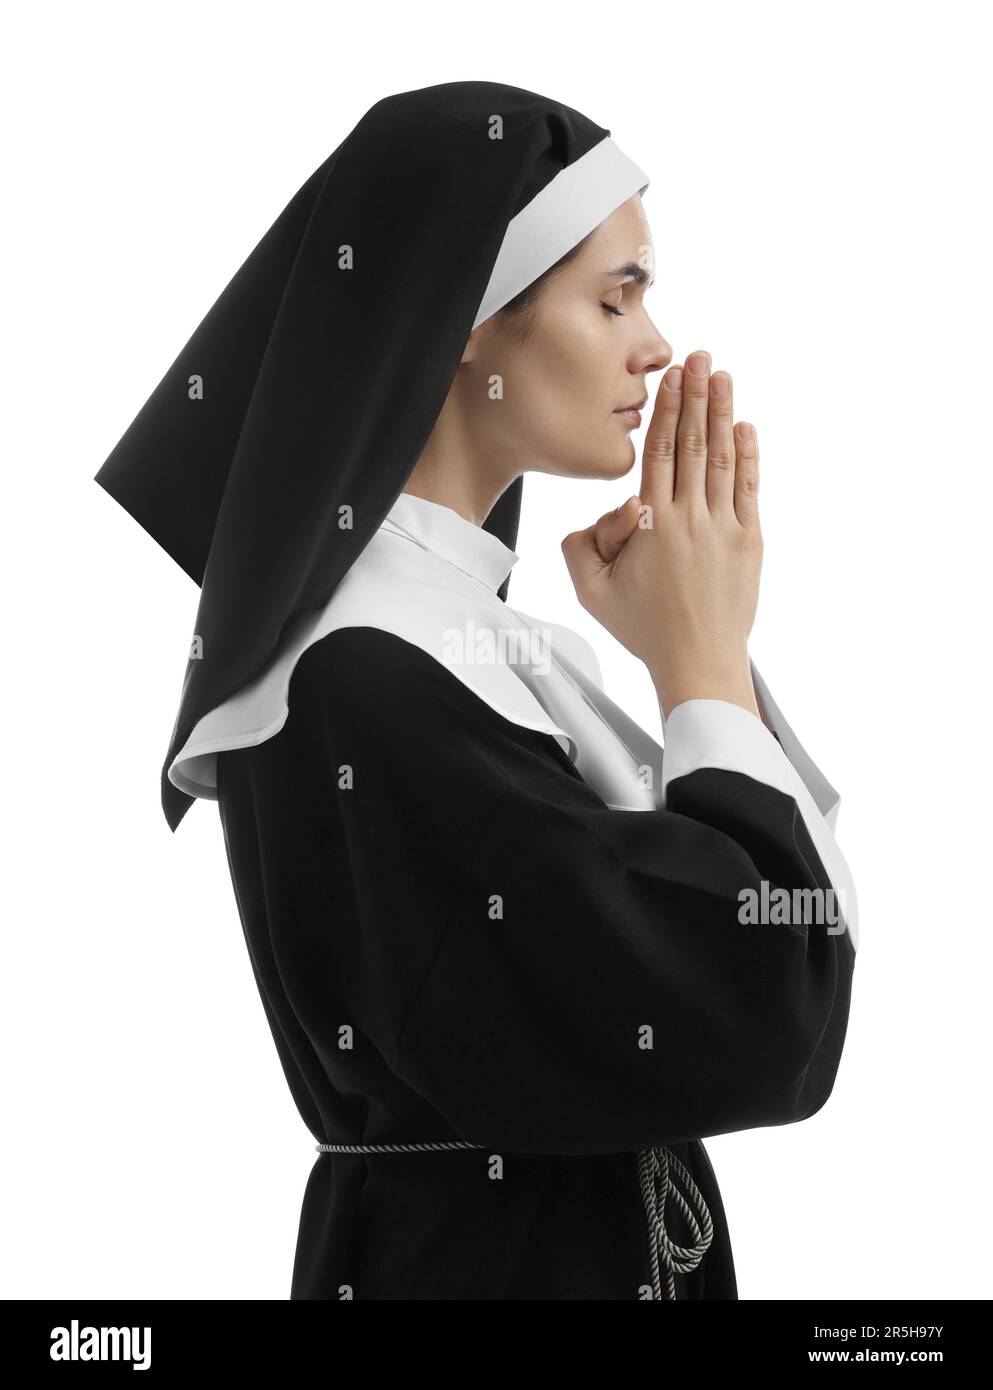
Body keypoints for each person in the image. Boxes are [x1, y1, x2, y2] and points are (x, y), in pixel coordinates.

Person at [95, 80, 857, 1301]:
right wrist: (700, 667)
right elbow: (761, 1015)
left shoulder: (464, 647)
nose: (655, 346)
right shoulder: (362, 677)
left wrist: (693, 662)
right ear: (462, 313)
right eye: (615, 296)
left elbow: (794, 948)